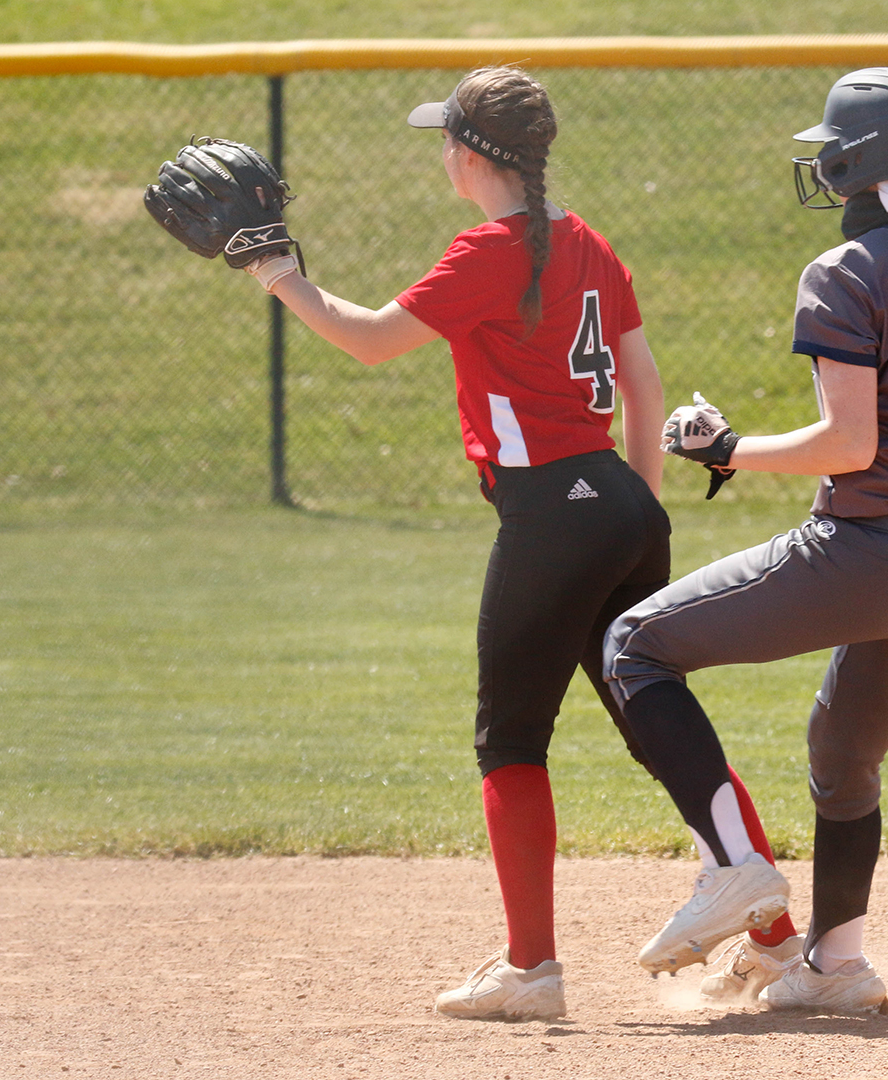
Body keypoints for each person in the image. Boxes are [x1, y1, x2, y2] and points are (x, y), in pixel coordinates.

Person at [237, 66, 800, 1021]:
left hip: (550, 513)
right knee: (655, 720)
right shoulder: (588, 241)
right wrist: (640, 505)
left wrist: (276, 272)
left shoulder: (489, 250)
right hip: (622, 504)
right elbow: (645, 385)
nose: (440, 153)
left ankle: (531, 971)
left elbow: (369, 339)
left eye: (445, 138)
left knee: (510, 740)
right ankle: (777, 941)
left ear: (469, 154)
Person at [601, 67, 888, 1015]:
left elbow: (851, 445)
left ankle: (733, 866)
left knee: (634, 644)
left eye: (834, 153)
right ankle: (835, 966)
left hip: (871, 554)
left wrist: (726, 450)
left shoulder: (846, 269)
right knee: (842, 758)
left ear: (862, 164)